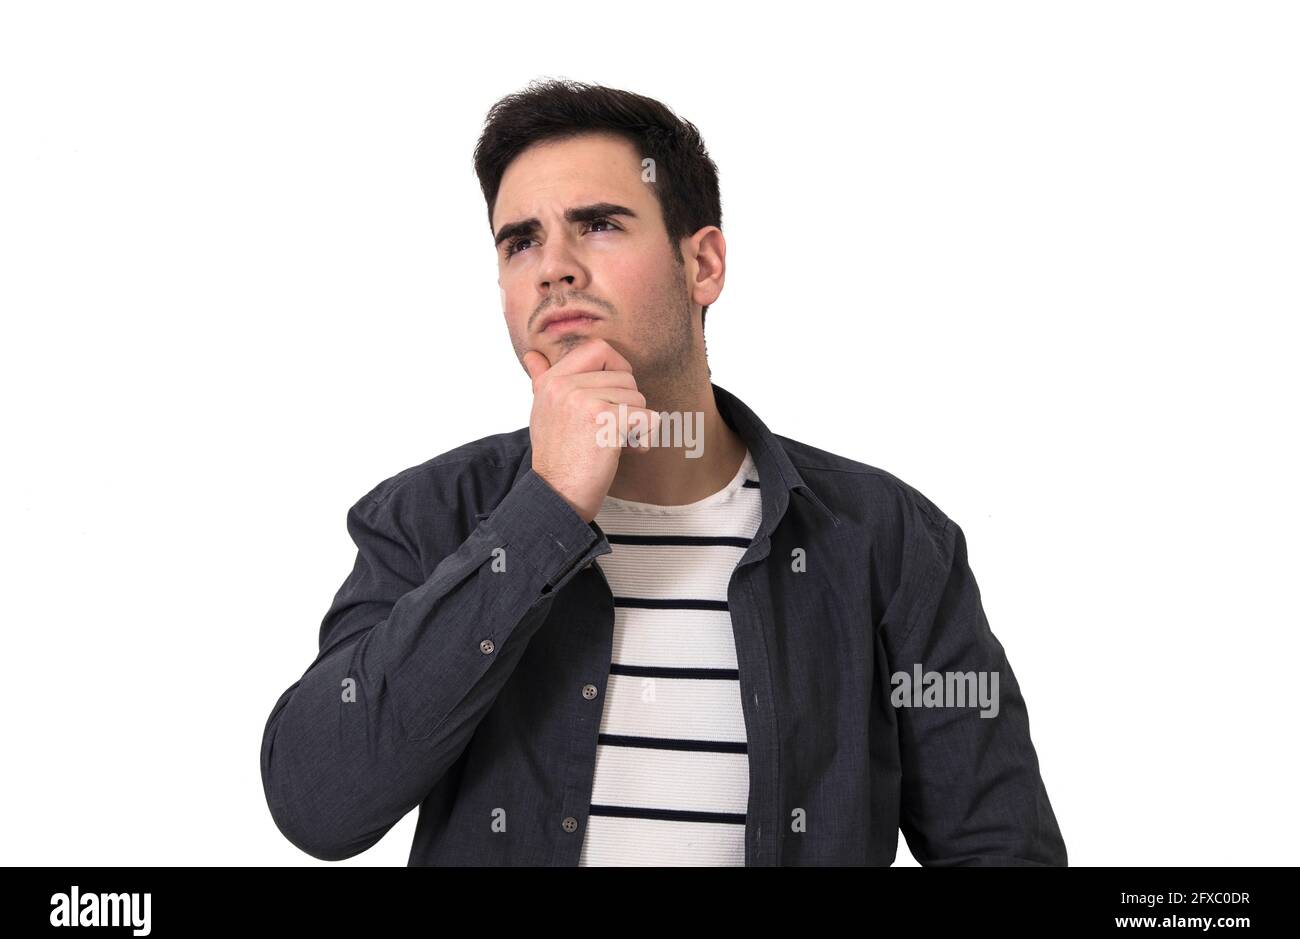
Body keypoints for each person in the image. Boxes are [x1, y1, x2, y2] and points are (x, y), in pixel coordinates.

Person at [259, 78, 1067, 866]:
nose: (554, 268)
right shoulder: (430, 515)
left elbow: (999, 846)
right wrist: (546, 510)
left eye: (600, 225)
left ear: (702, 264)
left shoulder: (885, 541)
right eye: (521, 242)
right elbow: (318, 804)